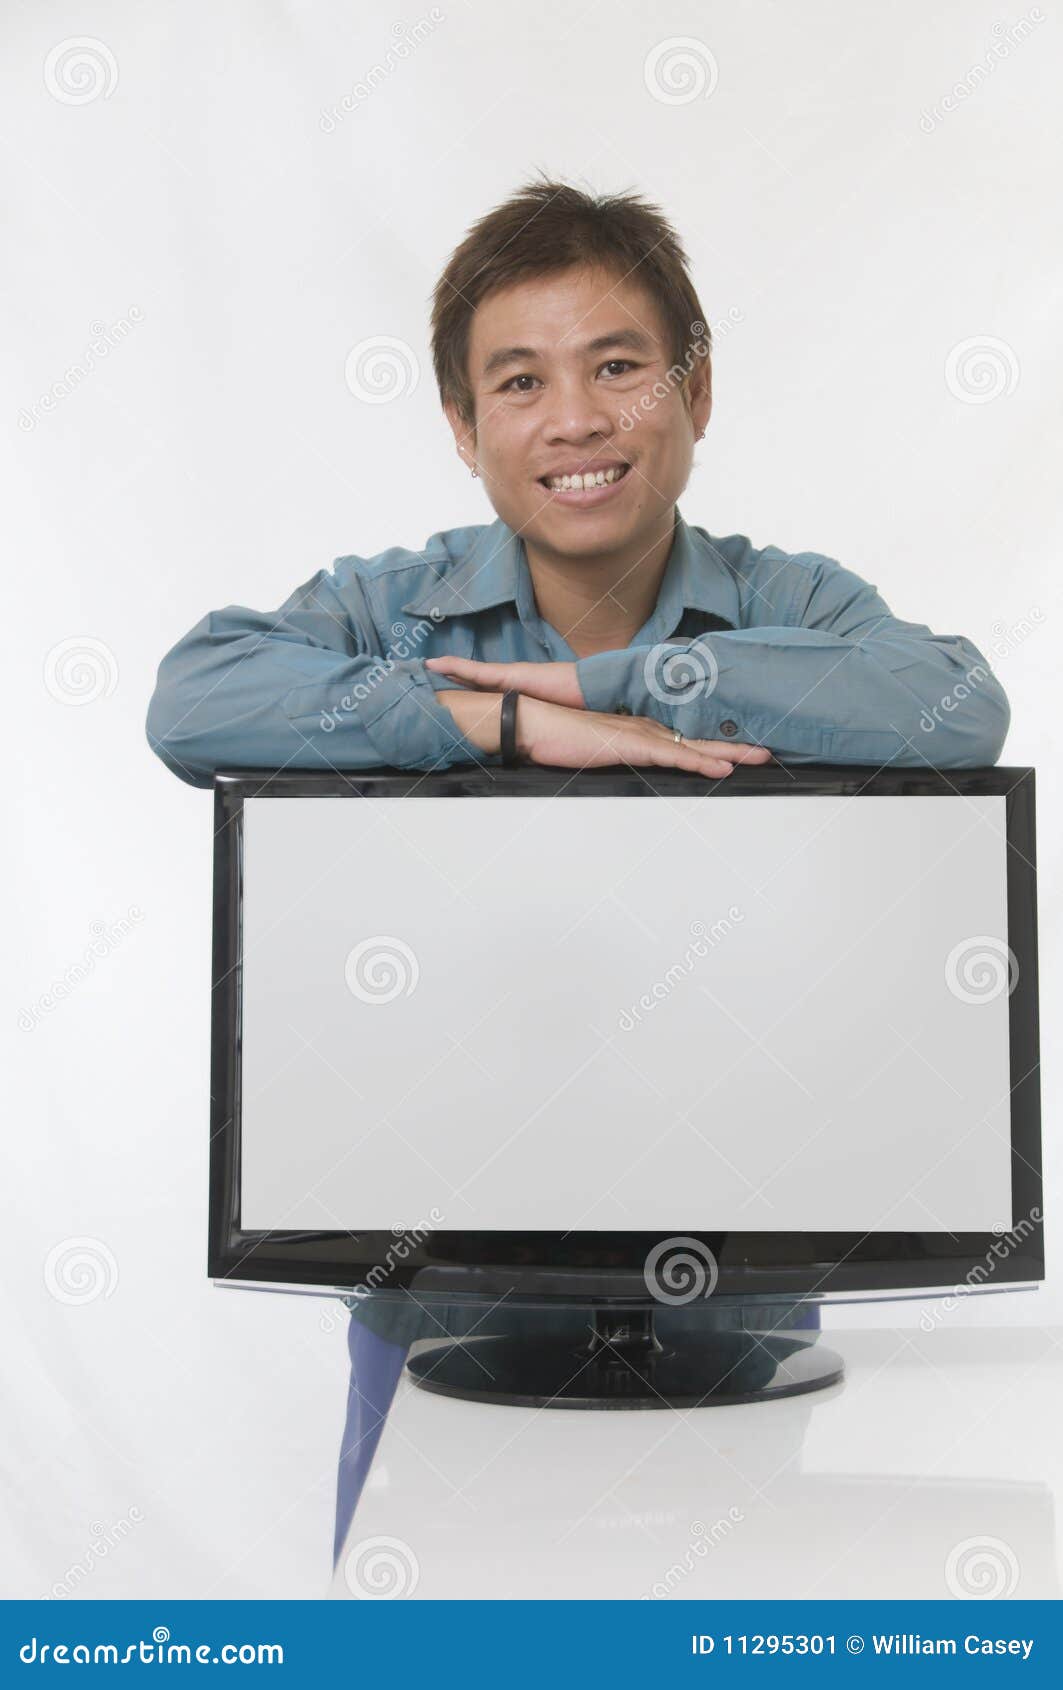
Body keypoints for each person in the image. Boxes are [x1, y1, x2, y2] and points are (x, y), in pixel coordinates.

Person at [145, 175, 1010, 1569]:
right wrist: (501, 719)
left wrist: (613, 684)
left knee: (718, 1626)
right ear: (464, 426)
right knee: (425, 1636)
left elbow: (956, 710)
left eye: (619, 367)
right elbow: (193, 700)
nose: (577, 421)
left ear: (695, 391)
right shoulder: (391, 604)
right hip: (438, 1287)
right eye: (521, 381)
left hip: (735, 1282)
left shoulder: (793, 605)